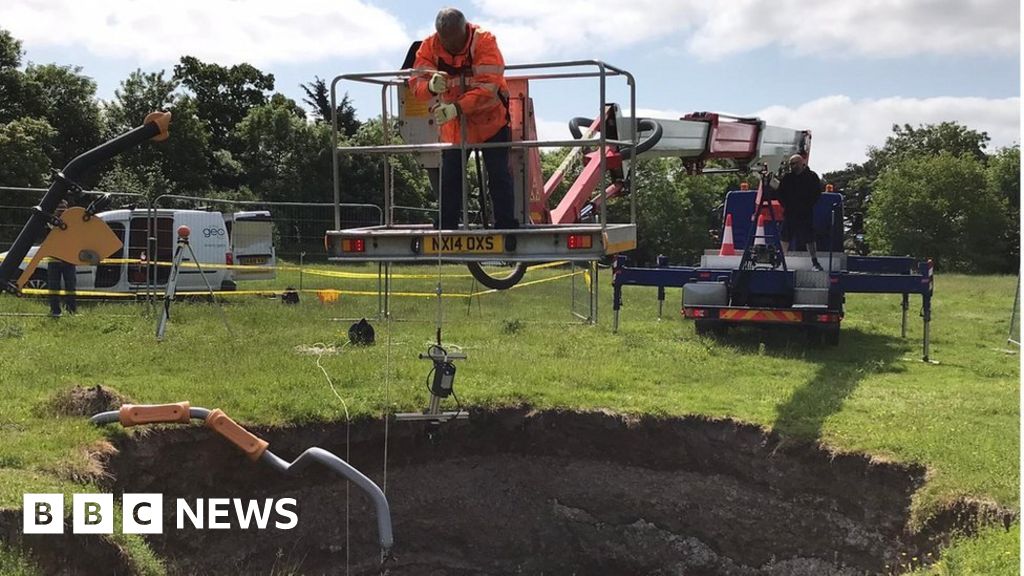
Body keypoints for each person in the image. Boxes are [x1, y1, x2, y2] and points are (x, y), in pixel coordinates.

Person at [408, 7, 517, 230]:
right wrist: (429, 86)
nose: (452, 48)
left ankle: (506, 225)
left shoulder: (484, 41)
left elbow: (488, 87)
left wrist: (456, 107)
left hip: (490, 121)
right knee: (450, 176)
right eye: (446, 43)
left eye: (456, 43)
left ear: (465, 29)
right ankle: (446, 225)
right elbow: (416, 83)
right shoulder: (429, 46)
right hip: (456, 125)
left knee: (498, 174)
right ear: (439, 36)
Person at [772, 154, 823, 271]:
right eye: (791, 164)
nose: (792, 166)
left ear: (801, 163)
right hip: (790, 212)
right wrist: (787, 205)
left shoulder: (811, 177)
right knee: (785, 237)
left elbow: (817, 193)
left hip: (805, 213)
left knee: (809, 238)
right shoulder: (788, 178)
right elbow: (780, 193)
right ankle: (780, 261)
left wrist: (807, 205)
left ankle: (814, 262)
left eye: (794, 163)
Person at [47, 201, 77, 317]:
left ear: (67, 209)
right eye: (59, 208)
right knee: (54, 287)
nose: (61, 211)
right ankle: (55, 311)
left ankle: (71, 311)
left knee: (71, 286)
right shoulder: (50, 223)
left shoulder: (72, 223)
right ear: (55, 210)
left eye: (63, 208)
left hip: (69, 259)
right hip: (54, 259)